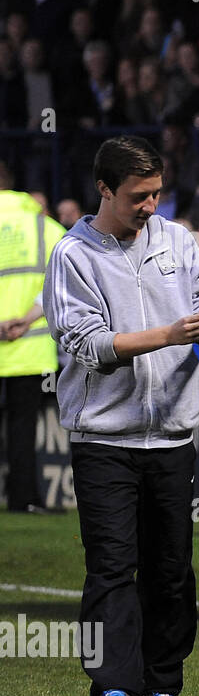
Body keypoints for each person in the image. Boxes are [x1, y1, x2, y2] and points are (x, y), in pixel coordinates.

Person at [43, 135, 199, 696]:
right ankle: (113, 690)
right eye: (138, 196)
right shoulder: (73, 256)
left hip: (173, 435)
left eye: (157, 192)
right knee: (110, 566)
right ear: (104, 189)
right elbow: (88, 346)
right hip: (104, 438)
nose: (151, 205)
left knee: (171, 566)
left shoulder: (179, 240)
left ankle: (163, 685)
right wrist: (171, 334)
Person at [0, 180, 64, 513]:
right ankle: (22, 498)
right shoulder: (47, 227)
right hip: (29, 347)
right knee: (23, 427)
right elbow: (61, 285)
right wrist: (24, 320)